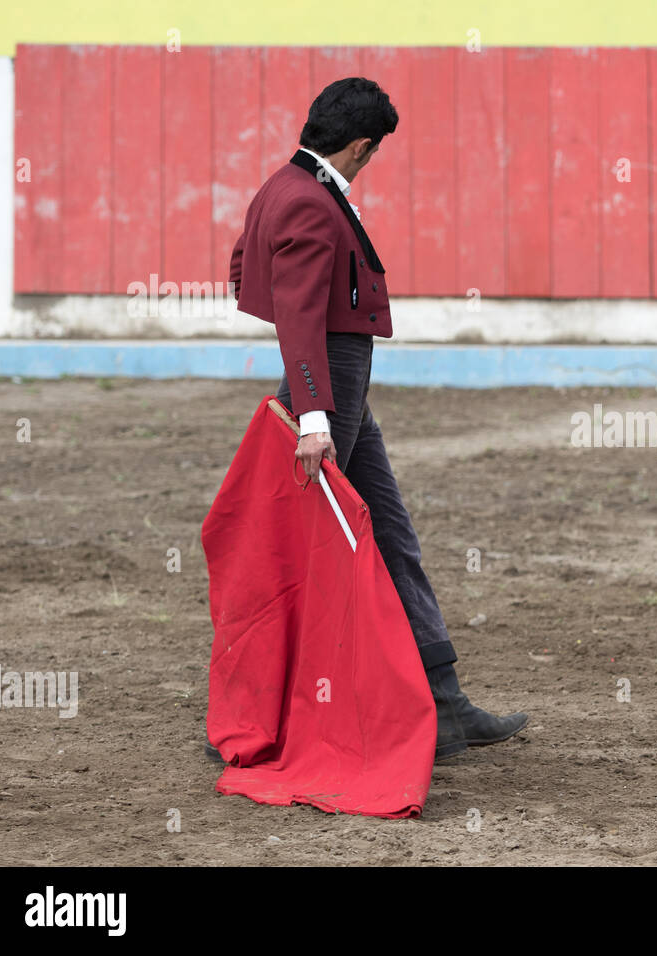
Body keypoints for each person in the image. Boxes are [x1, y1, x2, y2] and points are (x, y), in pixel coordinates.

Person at [217, 76, 527, 761]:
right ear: (359, 146)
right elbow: (298, 313)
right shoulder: (309, 201)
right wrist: (315, 413)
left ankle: (444, 707)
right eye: (373, 152)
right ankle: (261, 716)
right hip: (330, 379)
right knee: (308, 550)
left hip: (332, 380)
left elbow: (246, 274)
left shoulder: (279, 188)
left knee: (389, 533)